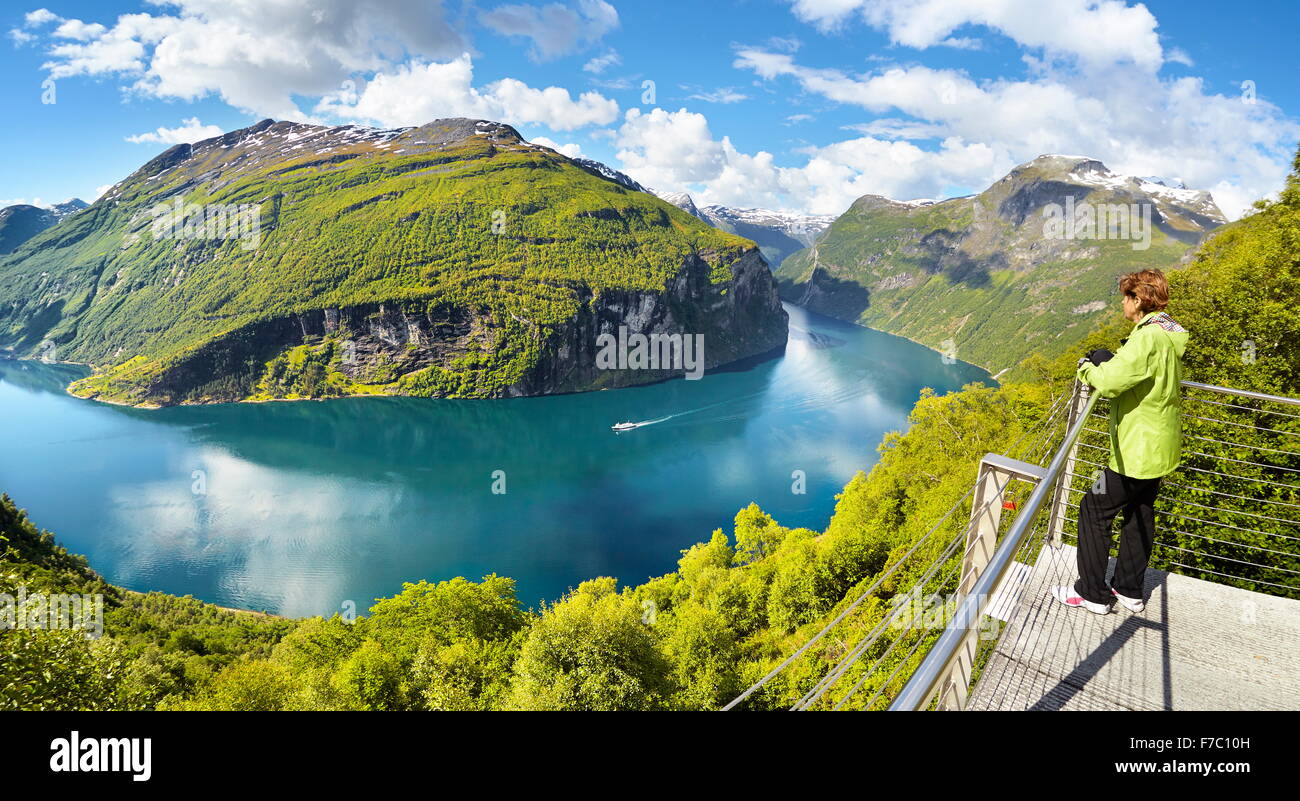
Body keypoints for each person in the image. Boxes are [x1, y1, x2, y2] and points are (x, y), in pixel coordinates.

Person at [1052, 268, 1189, 615]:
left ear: (1137, 300)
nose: (1122, 306)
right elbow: (1137, 371)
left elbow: (1111, 384)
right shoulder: (1168, 332)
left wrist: (1087, 367)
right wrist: (1110, 360)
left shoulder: (1147, 337)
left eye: (1125, 299)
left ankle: (1092, 593)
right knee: (1140, 512)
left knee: (1093, 508)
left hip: (1135, 449)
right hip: (1160, 445)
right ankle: (1129, 590)